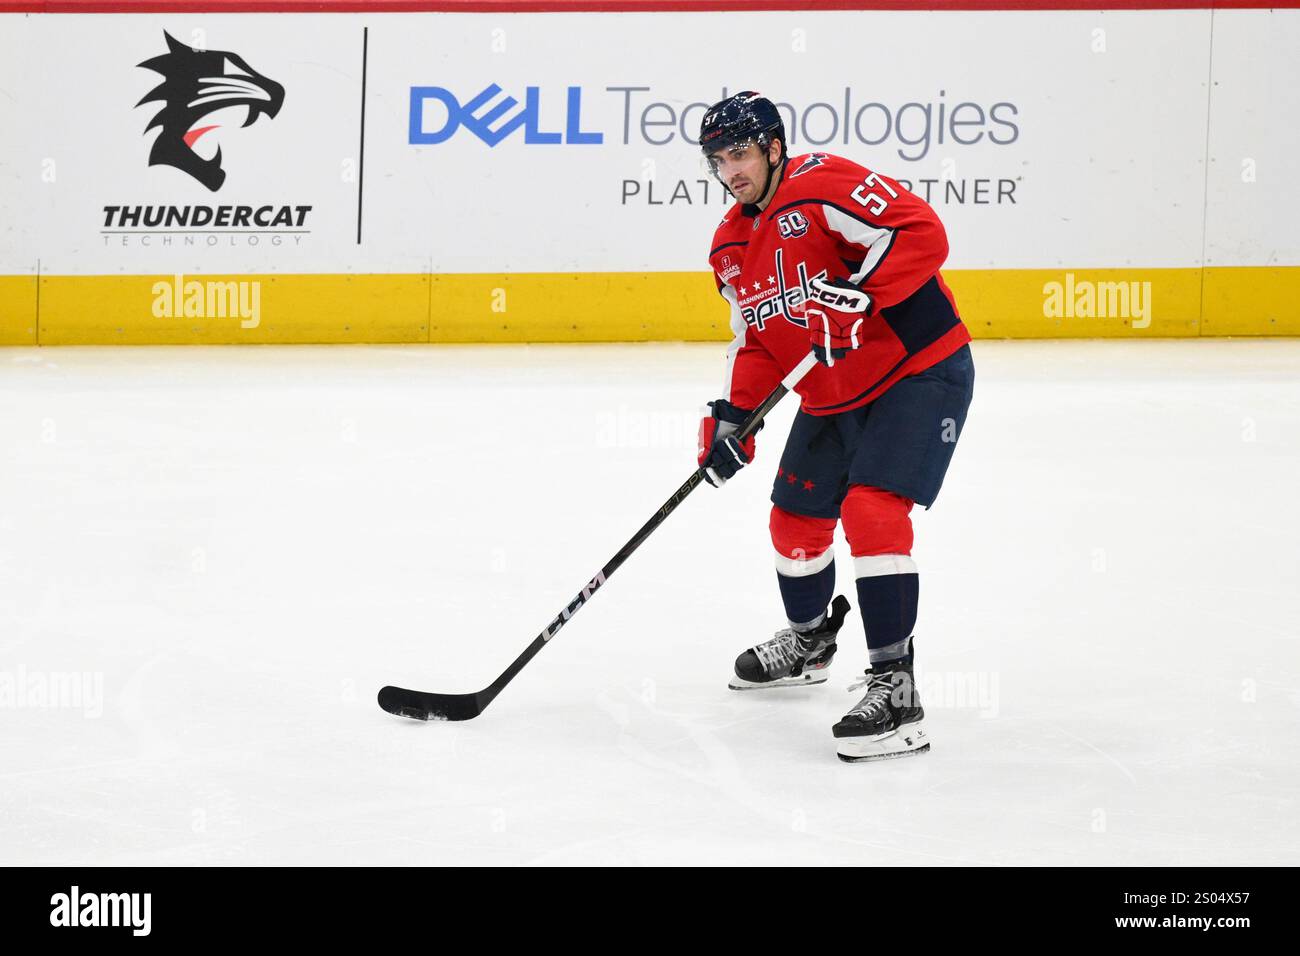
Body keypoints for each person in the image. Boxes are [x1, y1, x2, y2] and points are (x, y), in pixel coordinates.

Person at [695, 92, 975, 762]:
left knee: (870, 508)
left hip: (918, 369)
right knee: (793, 521)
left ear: (771, 146)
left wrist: (864, 294)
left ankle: (896, 690)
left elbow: (922, 232)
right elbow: (757, 341)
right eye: (717, 160)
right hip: (833, 390)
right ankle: (811, 638)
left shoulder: (822, 183)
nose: (730, 170)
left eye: (739, 153)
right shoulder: (731, 245)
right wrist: (735, 417)